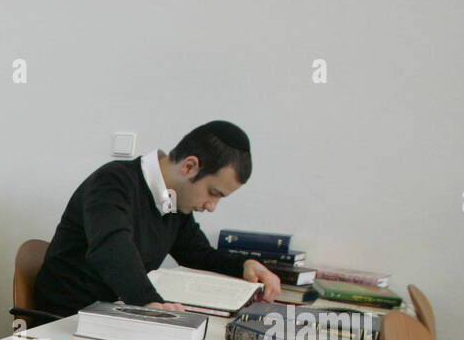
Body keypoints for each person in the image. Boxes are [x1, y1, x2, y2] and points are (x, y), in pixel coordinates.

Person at [33, 121, 281, 318]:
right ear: (189, 166)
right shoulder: (113, 182)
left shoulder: (174, 203)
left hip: (116, 315)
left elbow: (197, 253)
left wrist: (243, 266)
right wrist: (149, 301)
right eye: (212, 193)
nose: (211, 206)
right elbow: (111, 248)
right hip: (65, 320)